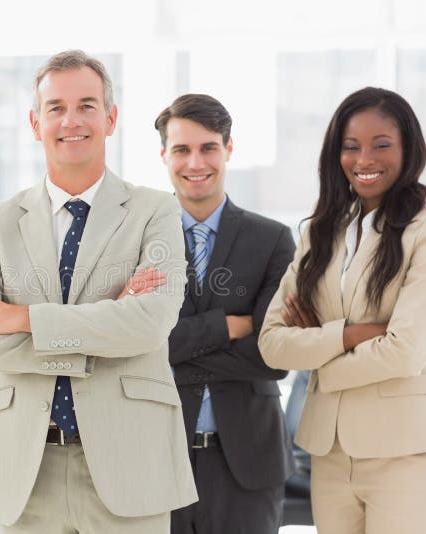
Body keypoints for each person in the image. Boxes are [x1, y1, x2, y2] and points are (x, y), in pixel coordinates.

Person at [0, 50, 197, 533]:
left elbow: (148, 325)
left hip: (130, 465)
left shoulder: (156, 212)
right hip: (26, 470)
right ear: (35, 121)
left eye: (87, 105)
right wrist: (104, 328)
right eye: (56, 107)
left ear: (111, 118)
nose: (71, 120)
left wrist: (20, 318)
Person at [259, 87, 426, 534]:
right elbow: (273, 344)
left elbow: (405, 351)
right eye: (351, 147)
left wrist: (319, 362)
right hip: (329, 454)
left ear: (408, 150)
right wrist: (348, 336)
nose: (364, 159)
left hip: (405, 450)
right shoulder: (320, 232)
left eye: (381, 145)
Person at [155, 93, 294, 534]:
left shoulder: (272, 240)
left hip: (247, 467)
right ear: (164, 156)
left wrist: (171, 347)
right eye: (181, 149)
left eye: (208, 147)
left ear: (228, 149)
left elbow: (273, 357)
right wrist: (230, 326)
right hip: (157, 461)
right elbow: (131, 345)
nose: (195, 162)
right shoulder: (136, 241)